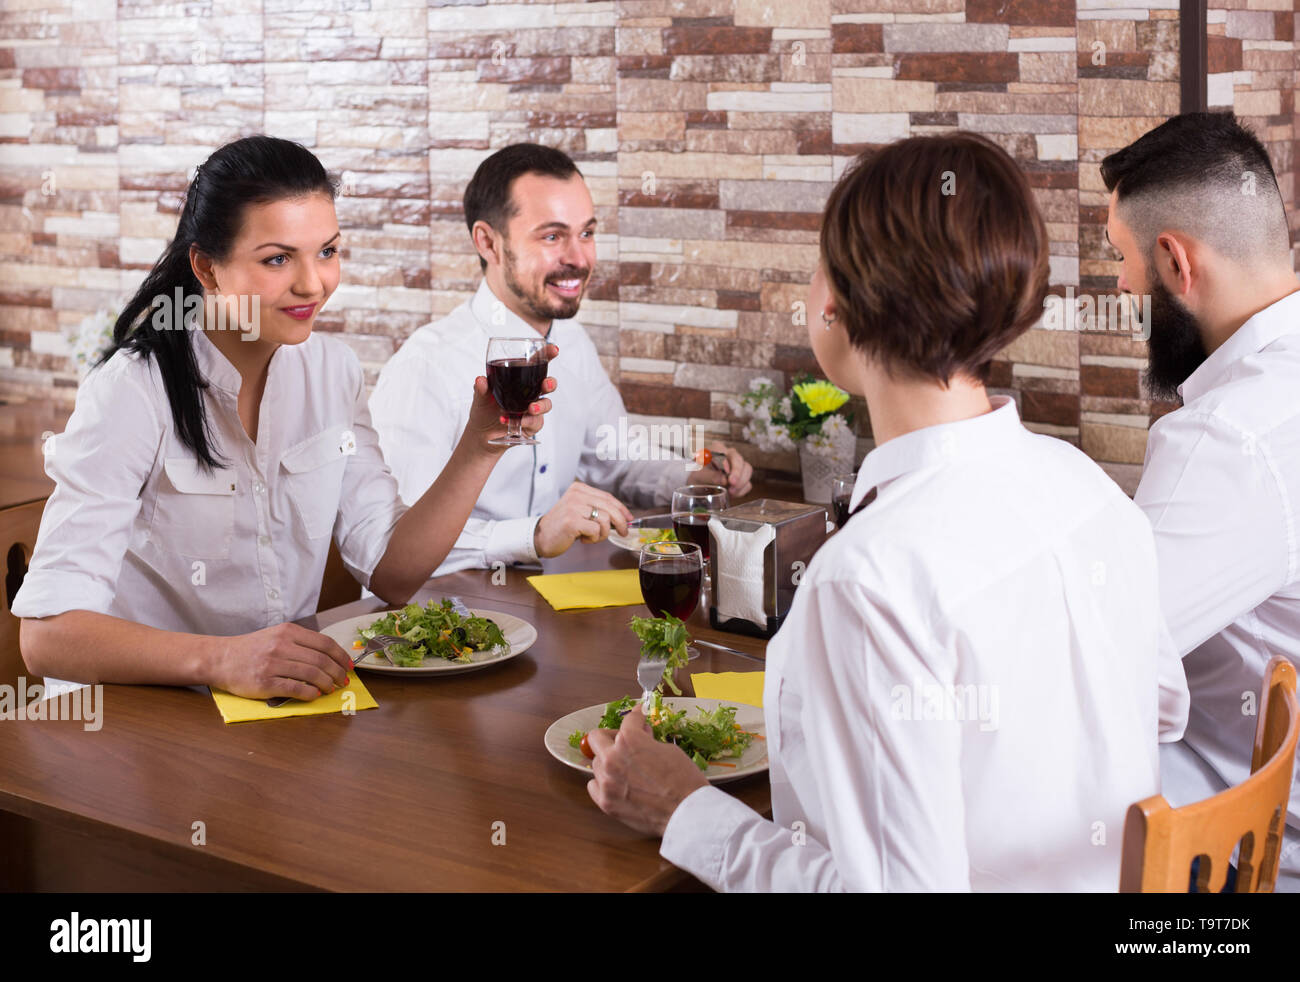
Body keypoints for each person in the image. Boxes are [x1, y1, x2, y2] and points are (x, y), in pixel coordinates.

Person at [585, 132, 1190, 891]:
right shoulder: (1089, 488)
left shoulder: (867, 578)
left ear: (835, 303)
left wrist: (685, 810)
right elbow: (1161, 711)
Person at [13, 135, 555, 703]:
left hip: (274, 714)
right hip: (144, 723)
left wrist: (479, 445)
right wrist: (222, 658)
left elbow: (394, 572)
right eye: (277, 258)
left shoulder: (332, 371)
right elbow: (48, 637)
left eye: (327, 251)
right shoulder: (132, 390)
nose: (312, 284)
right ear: (207, 266)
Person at [368, 143, 753, 575]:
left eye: (586, 233)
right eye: (552, 236)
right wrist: (533, 536)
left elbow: (615, 456)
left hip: (543, 604)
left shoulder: (571, 341)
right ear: (488, 243)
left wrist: (695, 476)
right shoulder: (427, 366)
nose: (579, 258)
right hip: (440, 618)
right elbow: (395, 548)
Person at [1102, 112, 1300, 889]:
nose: (1118, 285)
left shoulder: (1230, 439)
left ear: (1176, 262)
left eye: (1121, 259)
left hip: (1244, 849)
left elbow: (1101, 660)